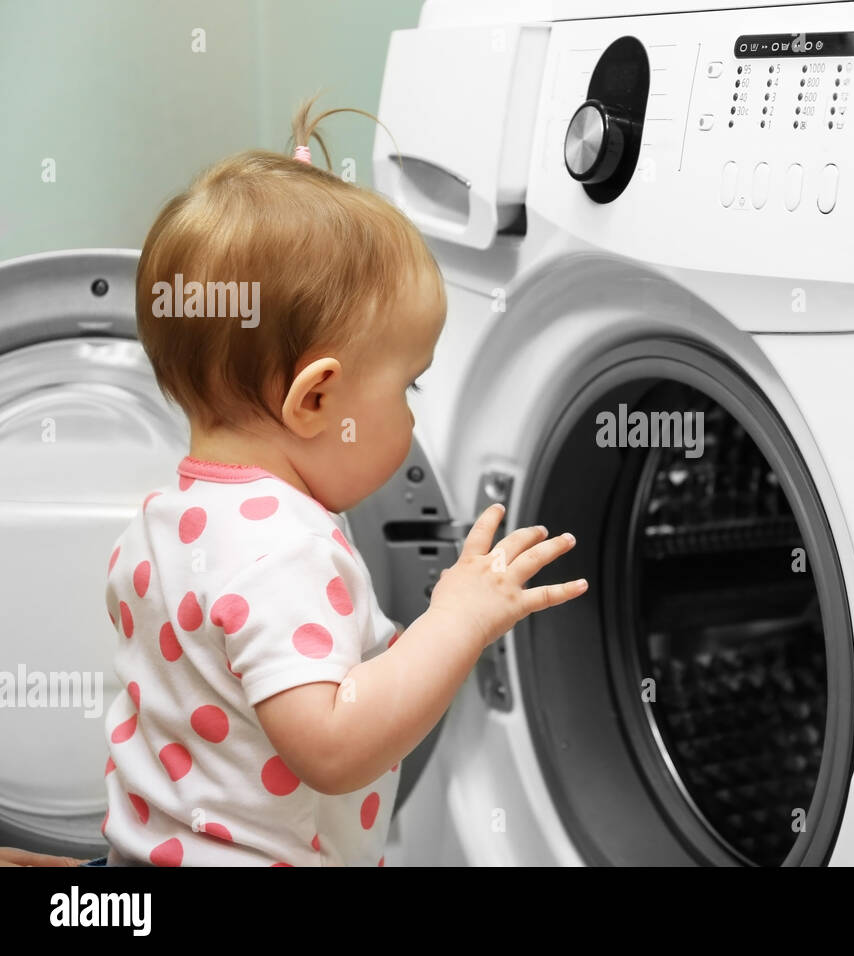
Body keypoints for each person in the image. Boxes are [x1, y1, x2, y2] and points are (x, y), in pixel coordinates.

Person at [79, 94, 587, 866]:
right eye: (407, 388)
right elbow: (336, 747)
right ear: (315, 399)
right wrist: (455, 619)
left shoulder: (163, 520)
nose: (413, 420)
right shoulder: (279, 550)